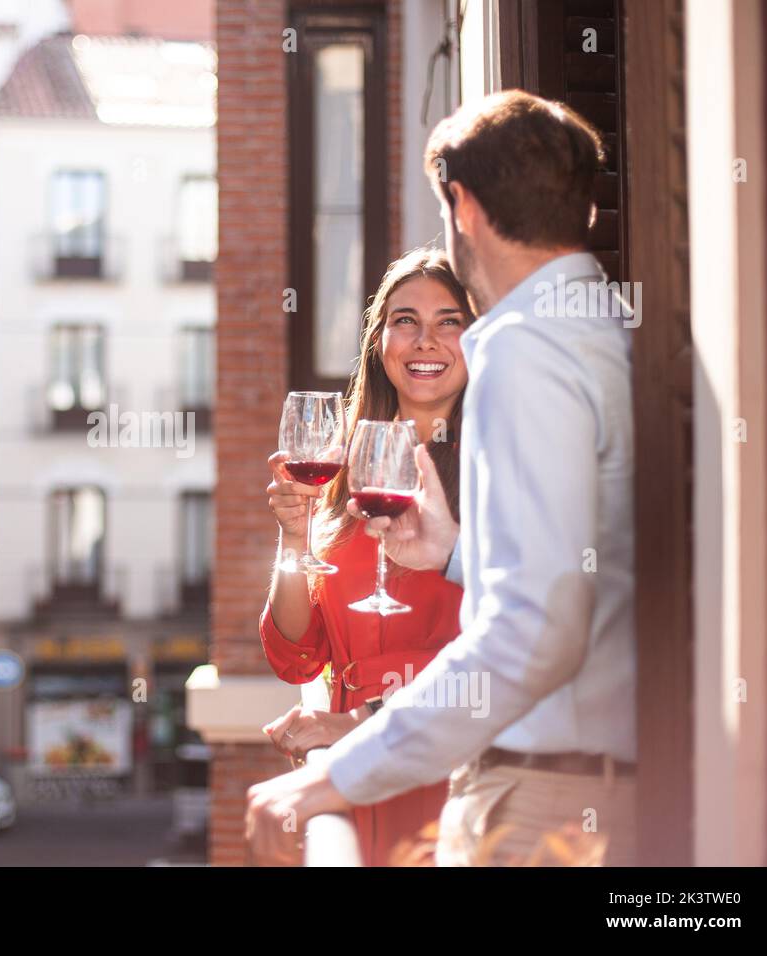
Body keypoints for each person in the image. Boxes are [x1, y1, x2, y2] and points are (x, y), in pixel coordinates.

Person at [245, 89, 637, 866]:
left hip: (540, 799)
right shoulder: (606, 329)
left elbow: (532, 635)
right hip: (587, 782)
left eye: (445, 321)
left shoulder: (526, 350)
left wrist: (335, 776)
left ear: (463, 206)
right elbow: (570, 581)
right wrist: (457, 554)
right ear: (583, 209)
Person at [258, 247, 473, 866]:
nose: (424, 340)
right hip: (358, 777)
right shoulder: (344, 471)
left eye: (449, 320)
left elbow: (521, 649)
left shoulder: (500, 474)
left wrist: (361, 723)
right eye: (405, 320)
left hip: (452, 771)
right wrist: (295, 537)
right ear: (380, 341)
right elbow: (299, 655)